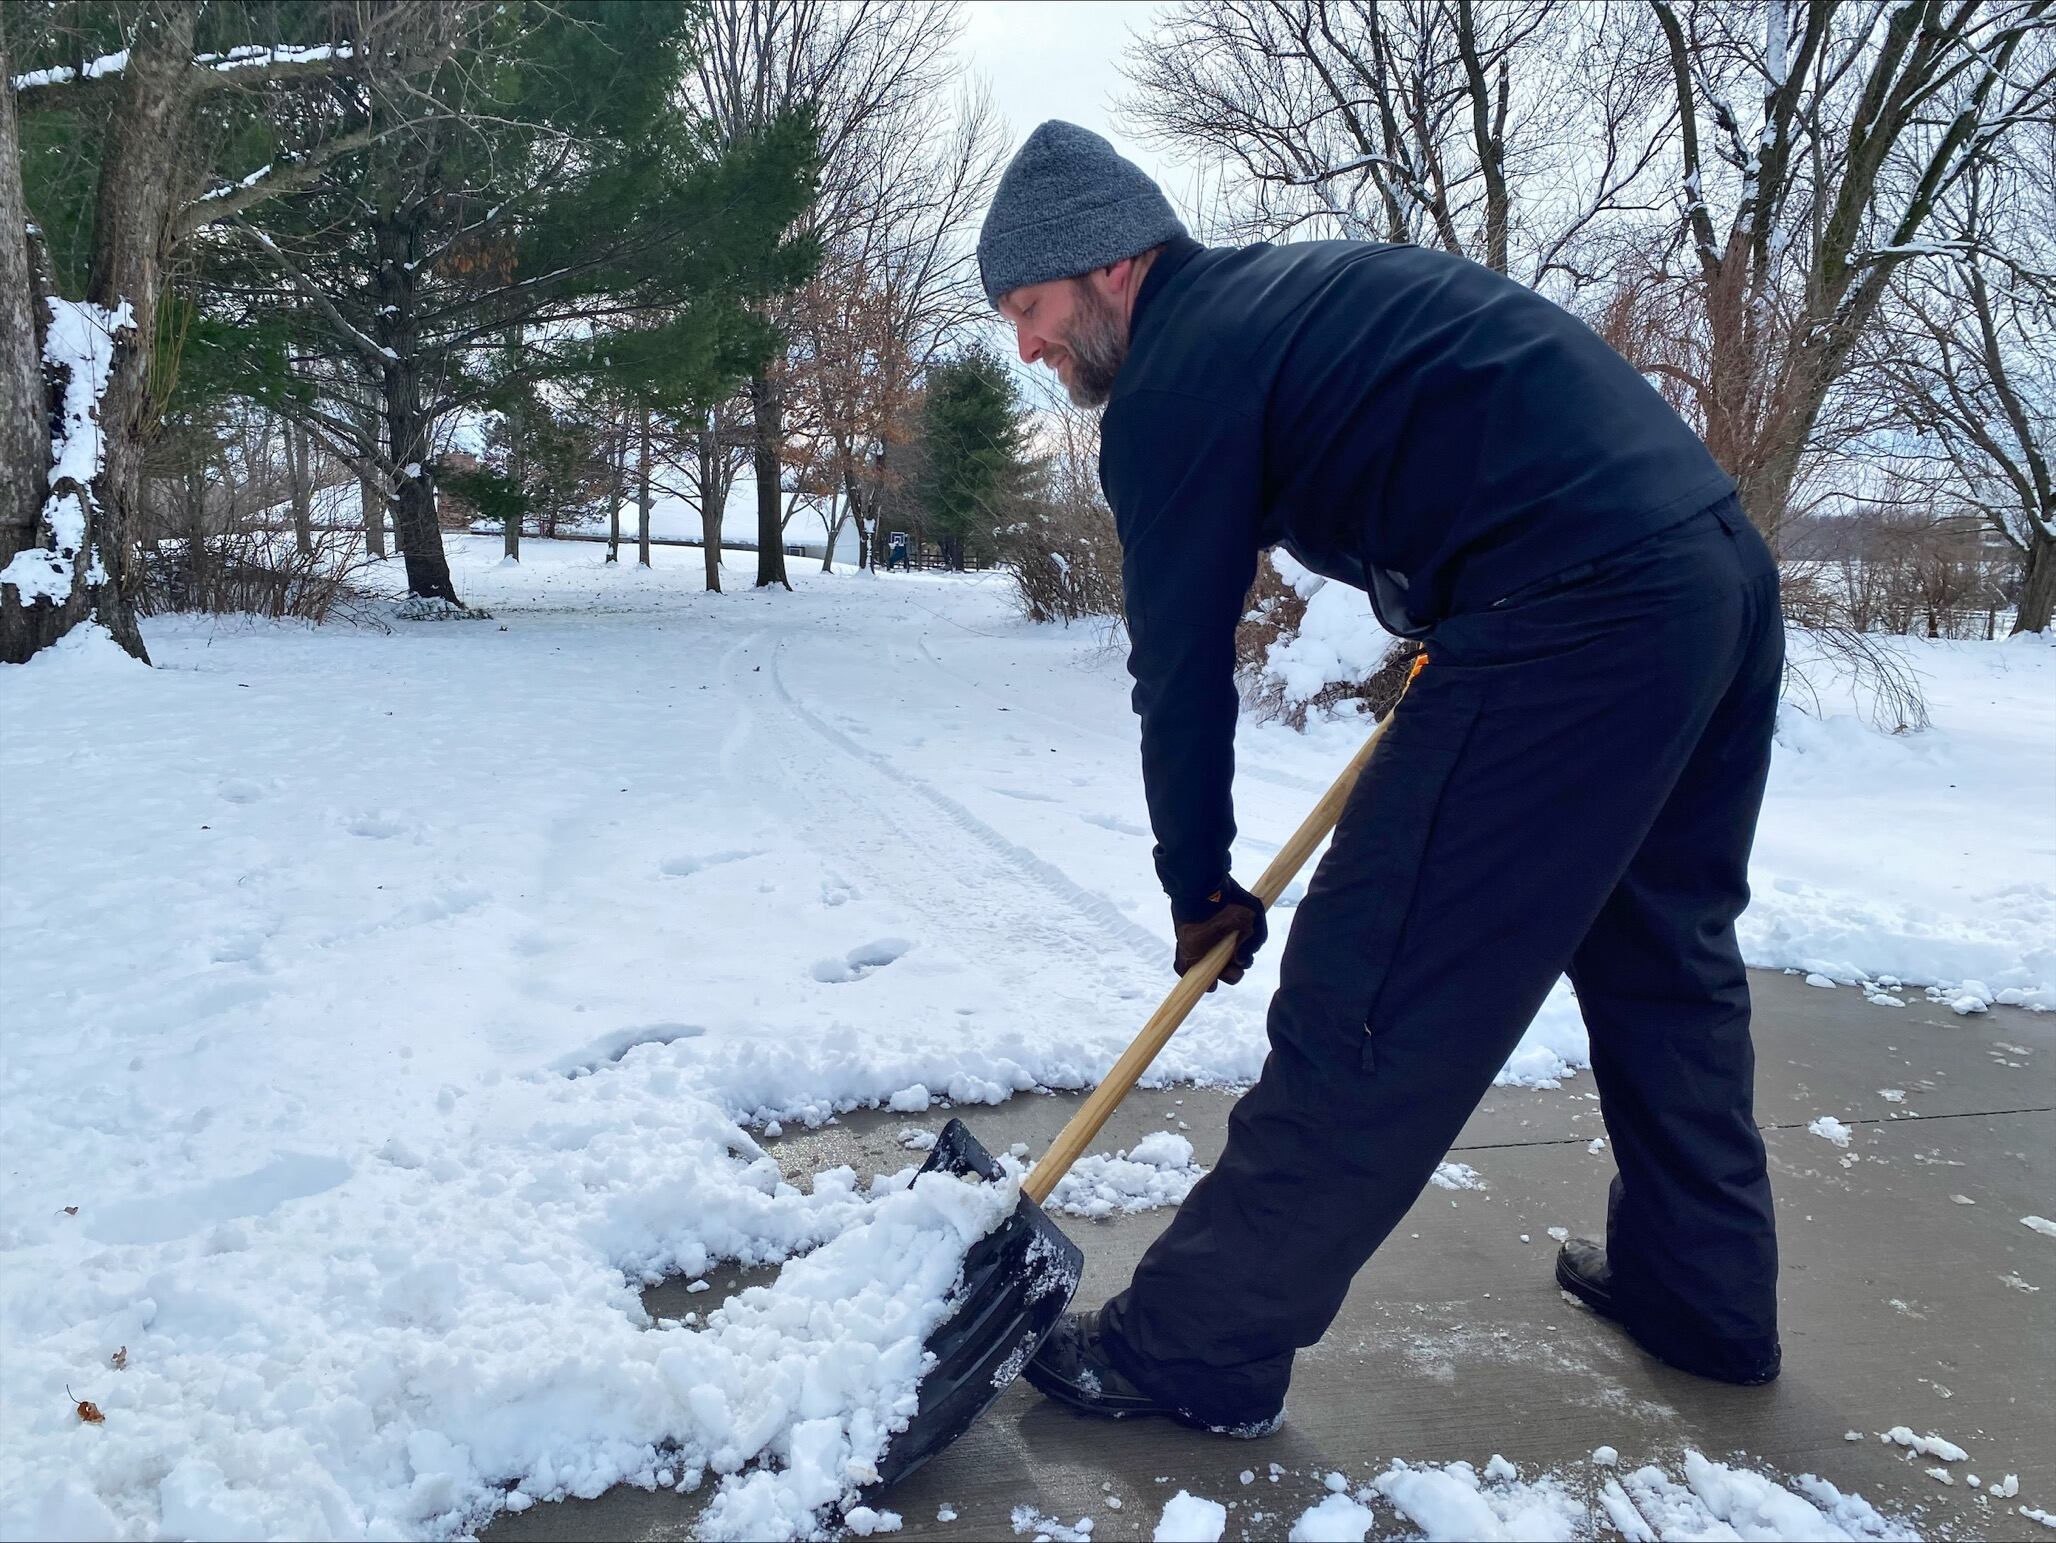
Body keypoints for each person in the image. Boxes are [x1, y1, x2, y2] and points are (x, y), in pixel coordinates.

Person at [977, 121, 1785, 1438]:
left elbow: (1175, 669)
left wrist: (1198, 888)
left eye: (1031, 308)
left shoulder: (1175, 380)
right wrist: (1447, 593)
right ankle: (1702, 1297)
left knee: (1372, 980)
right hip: (1711, 573)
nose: (1026, 347)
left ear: (1112, 267)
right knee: (1662, 951)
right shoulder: (1284, 296)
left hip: (1577, 608)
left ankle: (1198, 1348)